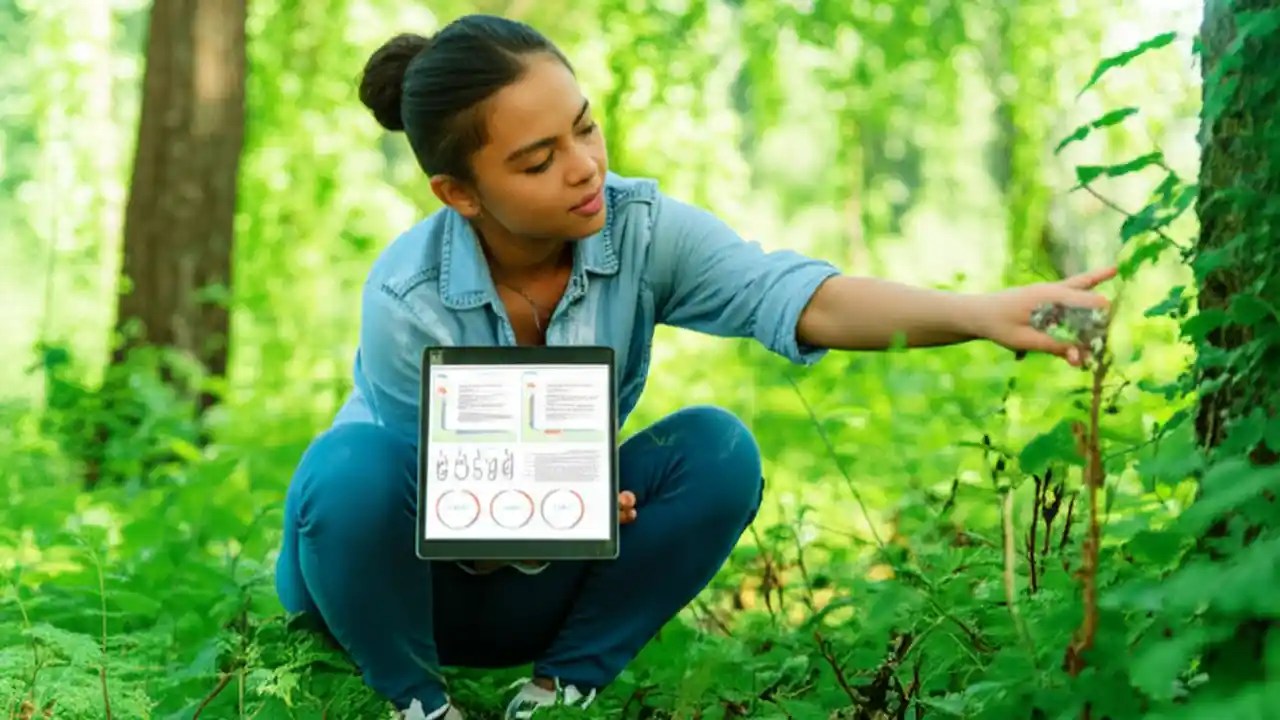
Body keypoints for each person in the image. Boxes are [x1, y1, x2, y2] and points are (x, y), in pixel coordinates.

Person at [272, 13, 1115, 720]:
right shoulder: (408, 296)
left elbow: (794, 296)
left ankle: (558, 690)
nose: (584, 166)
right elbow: (430, 510)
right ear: (459, 193)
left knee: (716, 450)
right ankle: (419, 701)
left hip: (538, 586)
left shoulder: (637, 227)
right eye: (537, 160)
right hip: (388, 589)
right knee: (349, 470)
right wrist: (558, 506)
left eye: (585, 127)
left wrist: (977, 314)